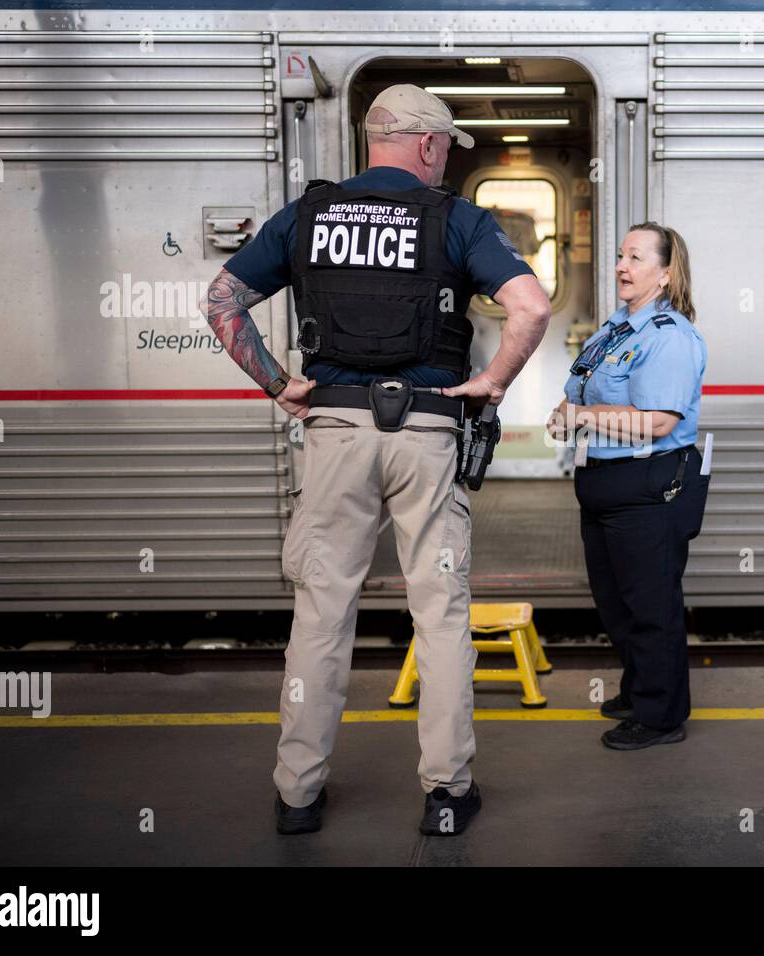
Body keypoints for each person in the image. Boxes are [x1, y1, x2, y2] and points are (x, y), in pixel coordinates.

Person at [204, 83, 551, 836]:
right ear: (429, 146)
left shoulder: (307, 215)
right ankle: (447, 794)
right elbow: (532, 306)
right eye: (446, 151)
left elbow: (222, 299)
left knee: (321, 614)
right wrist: (489, 384)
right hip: (426, 434)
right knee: (441, 615)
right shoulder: (457, 218)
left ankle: (298, 797)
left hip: (334, 434)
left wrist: (278, 383)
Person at [547, 223, 708, 751]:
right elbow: (581, 394)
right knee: (616, 602)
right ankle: (640, 689)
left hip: (649, 484)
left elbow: (659, 421)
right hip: (604, 481)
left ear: (664, 274)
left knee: (650, 604)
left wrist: (581, 415)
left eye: (636, 257)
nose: (621, 265)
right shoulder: (615, 329)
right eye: (620, 255)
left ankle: (660, 716)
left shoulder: (669, 337)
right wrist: (567, 415)